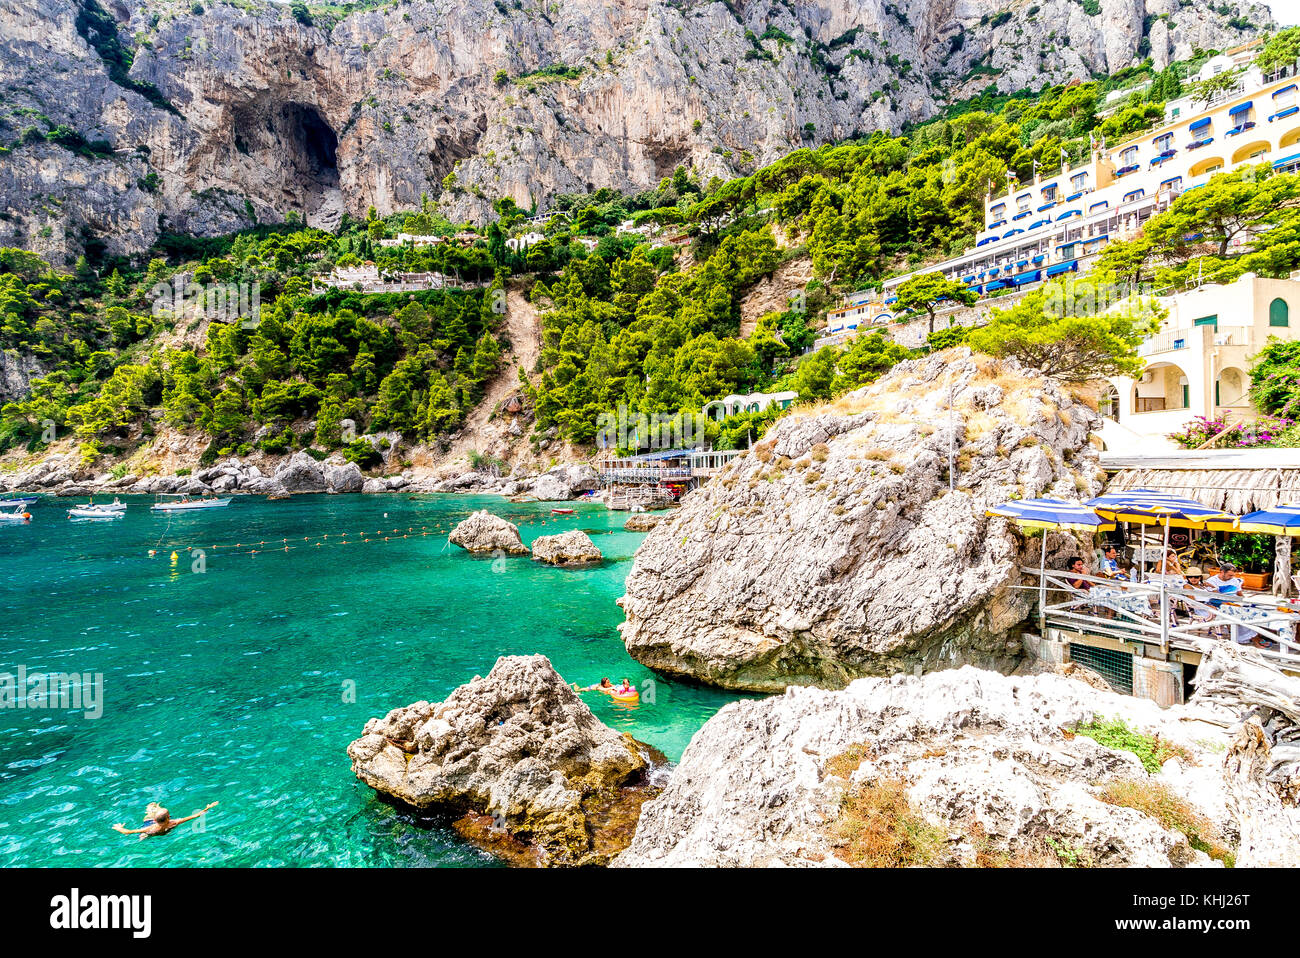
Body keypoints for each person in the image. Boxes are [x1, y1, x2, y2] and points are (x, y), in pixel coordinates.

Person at [113, 801, 218, 840]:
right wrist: (207, 808)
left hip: (152, 831)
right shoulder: (174, 822)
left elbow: (128, 832)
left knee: (144, 834)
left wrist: (119, 828)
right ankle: (156, 808)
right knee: (154, 807)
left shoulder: (151, 827)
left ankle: (153, 808)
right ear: (169, 818)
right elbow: (196, 815)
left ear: (154, 820)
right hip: (166, 830)